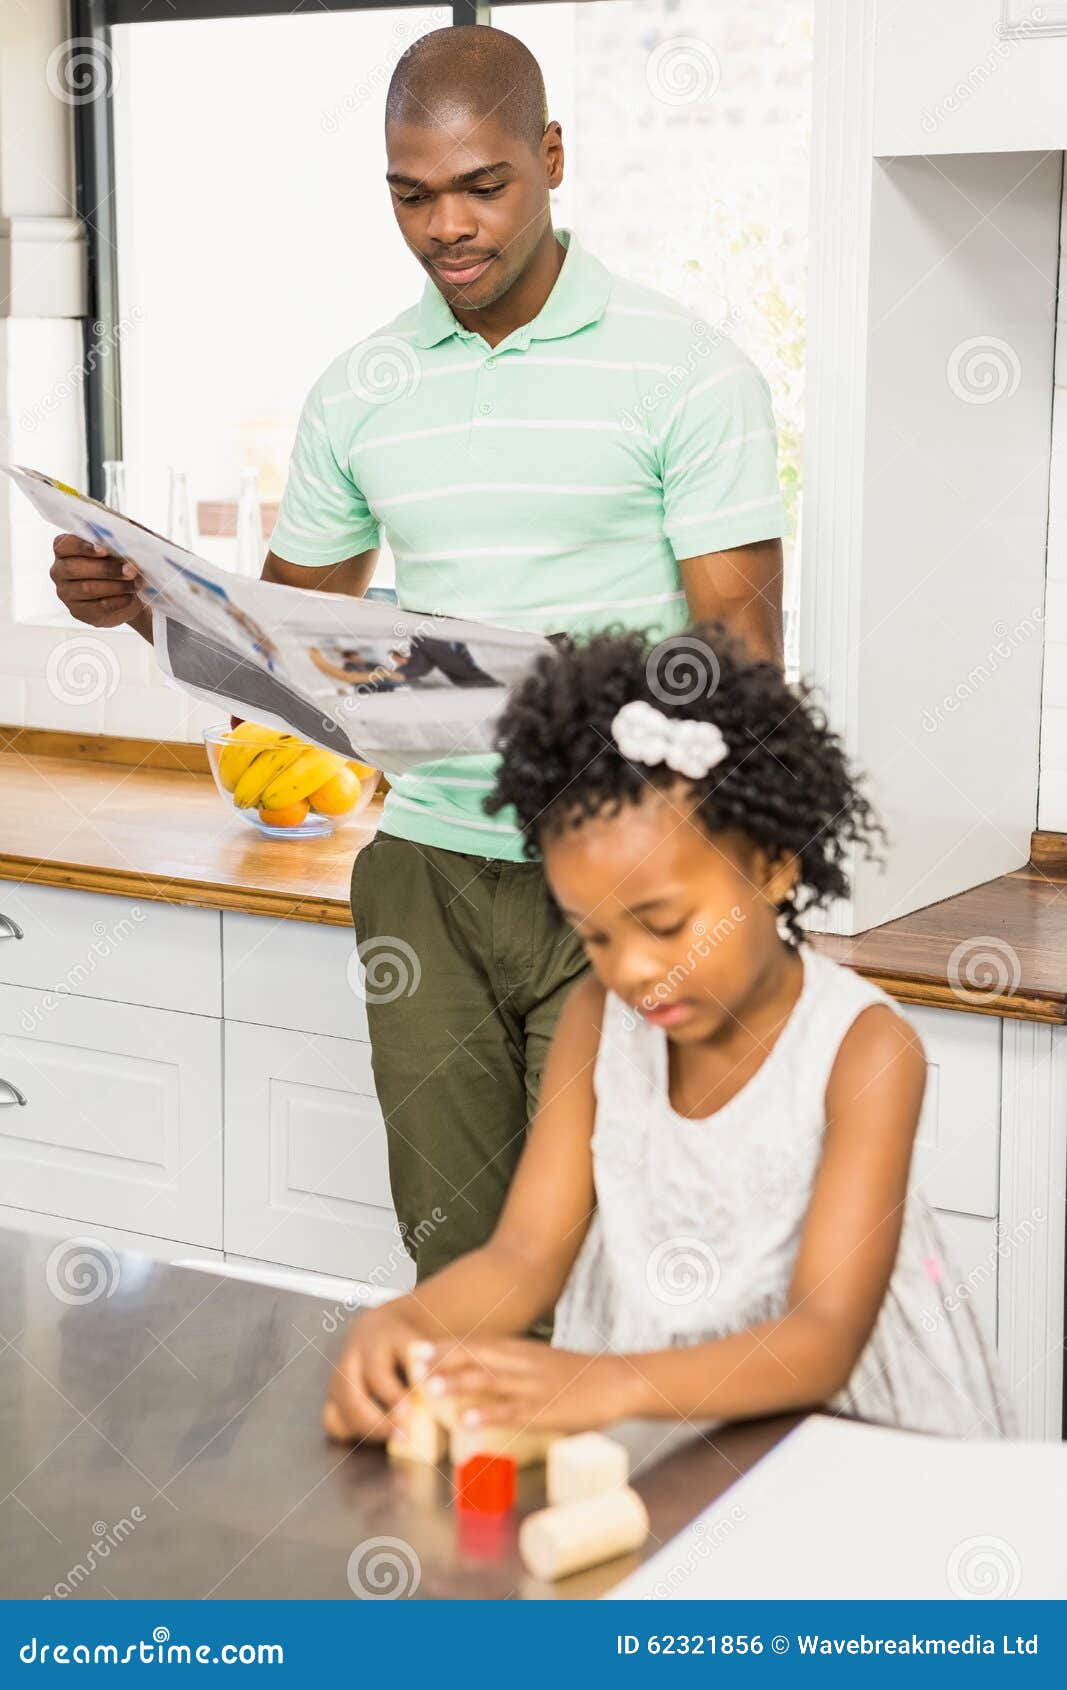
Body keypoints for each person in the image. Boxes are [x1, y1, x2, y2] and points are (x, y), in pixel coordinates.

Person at [47, 26, 790, 1284]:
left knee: (618, 1256)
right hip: (426, 878)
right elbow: (287, 638)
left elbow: (743, 657)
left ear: (550, 158)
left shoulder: (688, 374)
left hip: (626, 867)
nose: (448, 225)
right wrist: (135, 601)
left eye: (482, 185)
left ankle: (624, 1486)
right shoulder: (363, 388)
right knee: (454, 1258)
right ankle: (485, 1482)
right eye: (412, 194)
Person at [324, 624, 1013, 1442]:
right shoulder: (594, 1022)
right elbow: (524, 1259)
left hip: (844, 1430)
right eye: (595, 936)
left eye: (663, 923)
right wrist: (406, 1320)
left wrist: (604, 1384)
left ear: (772, 866)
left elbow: (821, 1339)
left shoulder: (861, 1051)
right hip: (661, 1409)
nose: (634, 971)